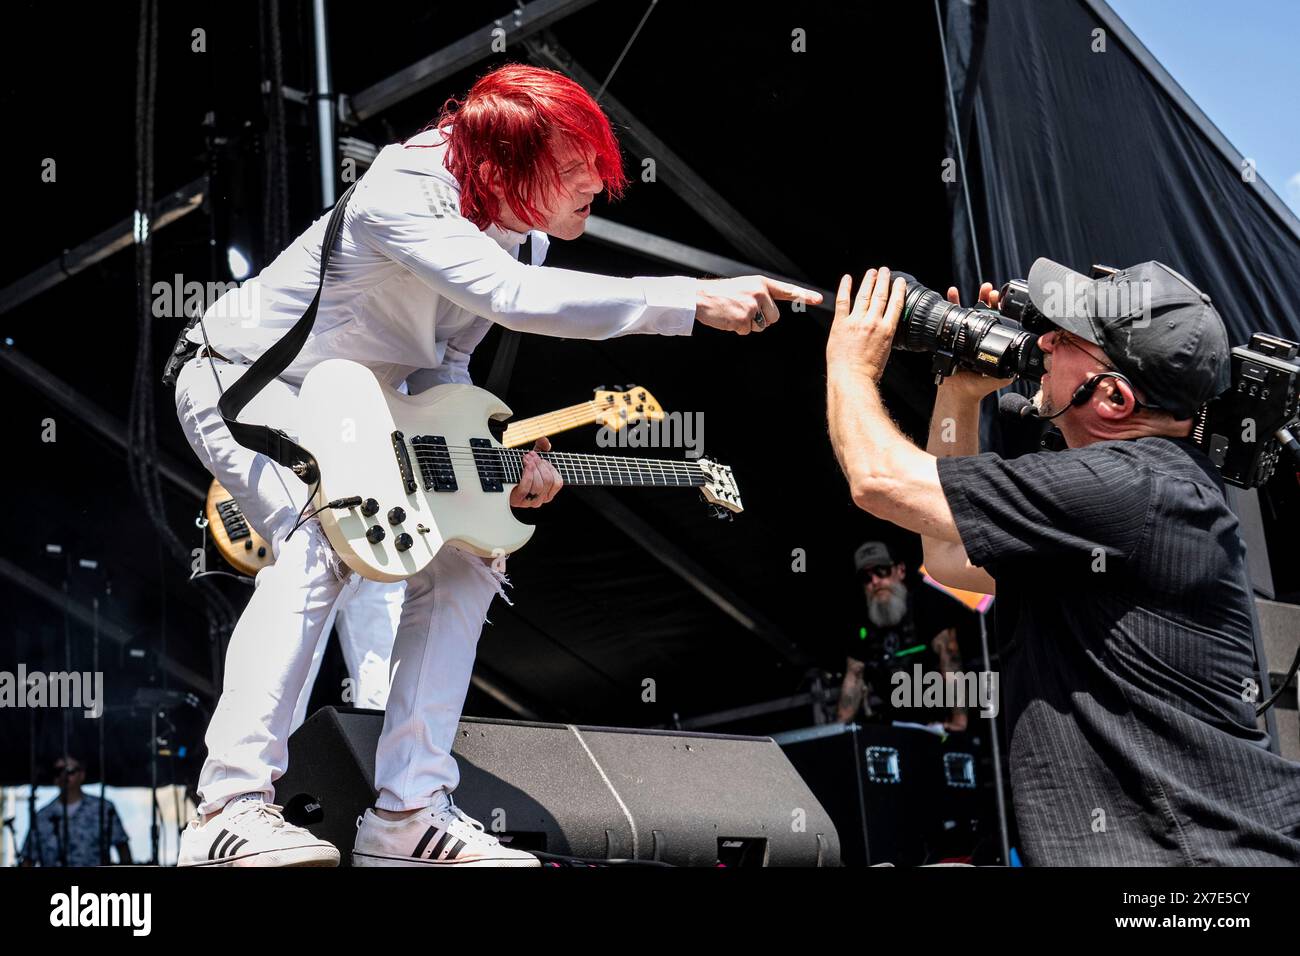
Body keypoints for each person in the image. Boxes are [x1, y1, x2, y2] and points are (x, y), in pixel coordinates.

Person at [172, 63, 820, 867]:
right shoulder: (403, 187)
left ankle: (407, 816)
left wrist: (482, 463)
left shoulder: (523, 227)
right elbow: (509, 297)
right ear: (503, 162)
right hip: (251, 382)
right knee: (316, 540)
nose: (597, 182)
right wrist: (687, 299)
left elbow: (443, 366)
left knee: (473, 554)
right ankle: (226, 810)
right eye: (573, 165)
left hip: (365, 403)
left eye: (595, 162)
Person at [825, 259, 1300, 865]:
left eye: (1067, 338)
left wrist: (852, 362)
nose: (1043, 340)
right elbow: (947, 556)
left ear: (1113, 397)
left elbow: (877, 480)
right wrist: (960, 391)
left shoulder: (1131, 486)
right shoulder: (1130, 497)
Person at [835, 540, 972, 730]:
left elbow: (949, 658)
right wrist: (837, 730)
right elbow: (854, 676)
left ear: (900, 570)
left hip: (937, 720)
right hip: (895, 724)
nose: (875, 581)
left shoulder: (924, 603)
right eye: (866, 577)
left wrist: (959, 720)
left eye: (881, 571)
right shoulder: (863, 623)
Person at [20, 756, 132, 867]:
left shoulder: (103, 809)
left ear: (82, 775)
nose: (63, 776)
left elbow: (123, 850)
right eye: (58, 772)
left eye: (69, 771)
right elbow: (28, 859)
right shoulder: (42, 816)